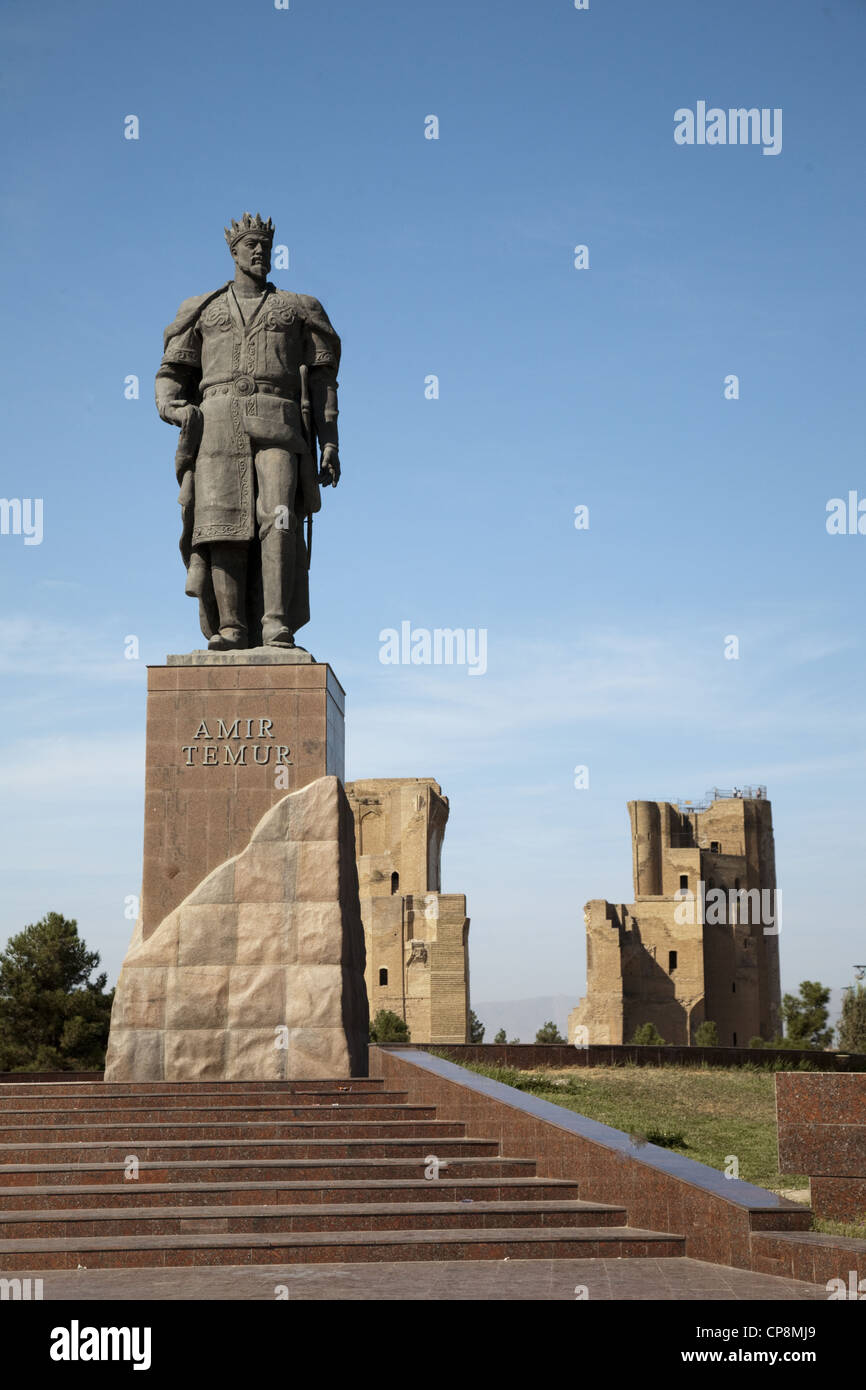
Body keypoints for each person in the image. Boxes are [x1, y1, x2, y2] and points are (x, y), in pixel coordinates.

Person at [155, 213, 341, 650]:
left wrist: (330, 441)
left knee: (278, 517)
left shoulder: (298, 308)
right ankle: (232, 625)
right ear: (233, 252)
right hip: (216, 424)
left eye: (265, 245)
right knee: (221, 526)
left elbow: (322, 382)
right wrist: (171, 406)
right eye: (250, 245)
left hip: (279, 422)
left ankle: (276, 622)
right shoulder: (202, 308)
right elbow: (172, 371)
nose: (259, 252)